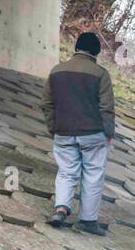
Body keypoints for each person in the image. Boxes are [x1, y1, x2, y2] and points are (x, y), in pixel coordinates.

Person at [41, 32, 114, 235]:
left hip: (63, 131)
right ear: (96, 52)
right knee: (93, 175)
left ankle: (61, 209)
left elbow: (47, 103)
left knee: (66, 171)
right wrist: (108, 132)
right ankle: (87, 221)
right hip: (93, 133)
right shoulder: (100, 74)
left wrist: (52, 127)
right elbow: (106, 107)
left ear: (76, 48)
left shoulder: (56, 71)